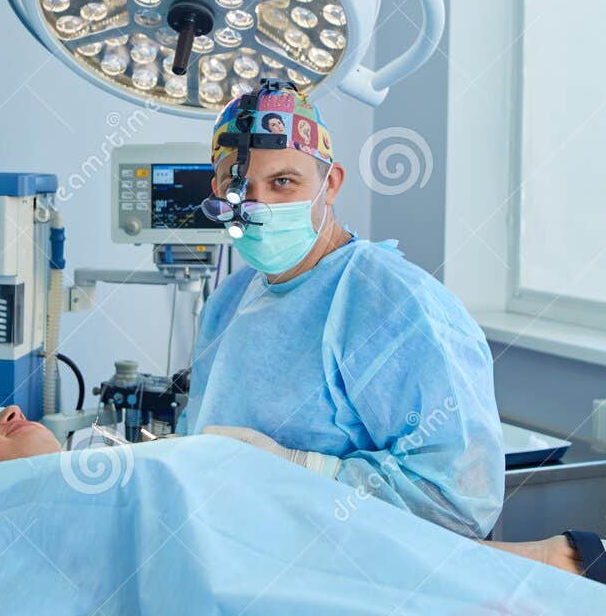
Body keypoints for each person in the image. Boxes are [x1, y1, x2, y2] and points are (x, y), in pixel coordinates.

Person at [178, 84, 506, 540]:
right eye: (242, 188)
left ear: (330, 183)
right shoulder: (230, 301)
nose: (262, 204)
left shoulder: (398, 306)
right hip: (235, 553)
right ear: (218, 190)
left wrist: (299, 468)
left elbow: (457, 502)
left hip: (347, 573)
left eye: (283, 182)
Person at [0, 407, 606, 587]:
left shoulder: (83, 478)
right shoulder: (20, 545)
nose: (7, 412)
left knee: (341, 548)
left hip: (271, 540)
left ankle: (512, 569)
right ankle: (524, 569)